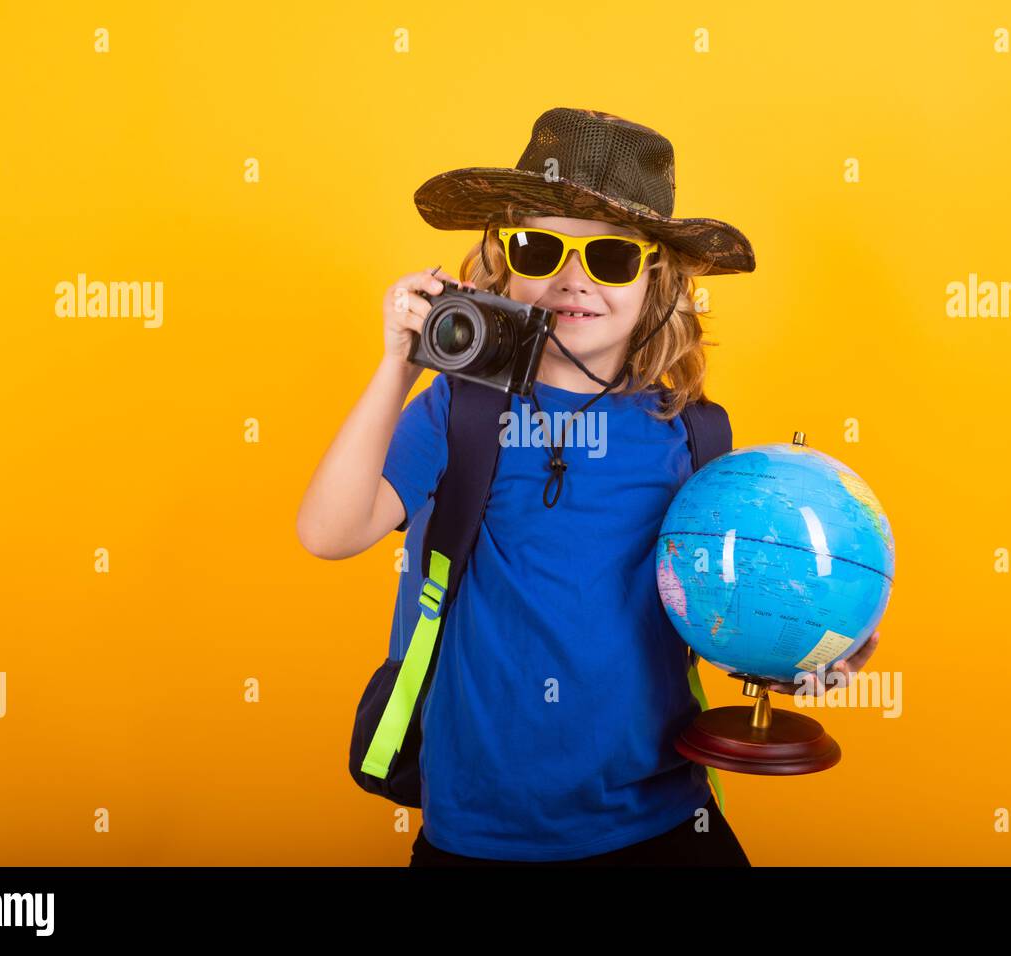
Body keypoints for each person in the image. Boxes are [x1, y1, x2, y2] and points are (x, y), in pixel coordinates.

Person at [297, 108, 876, 865]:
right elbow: (329, 533)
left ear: (658, 283)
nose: (572, 280)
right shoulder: (456, 411)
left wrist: (804, 643)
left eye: (609, 258)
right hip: (482, 835)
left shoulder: (693, 432)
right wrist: (400, 367)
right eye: (540, 248)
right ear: (502, 263)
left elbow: (719, 601)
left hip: (663, 821)